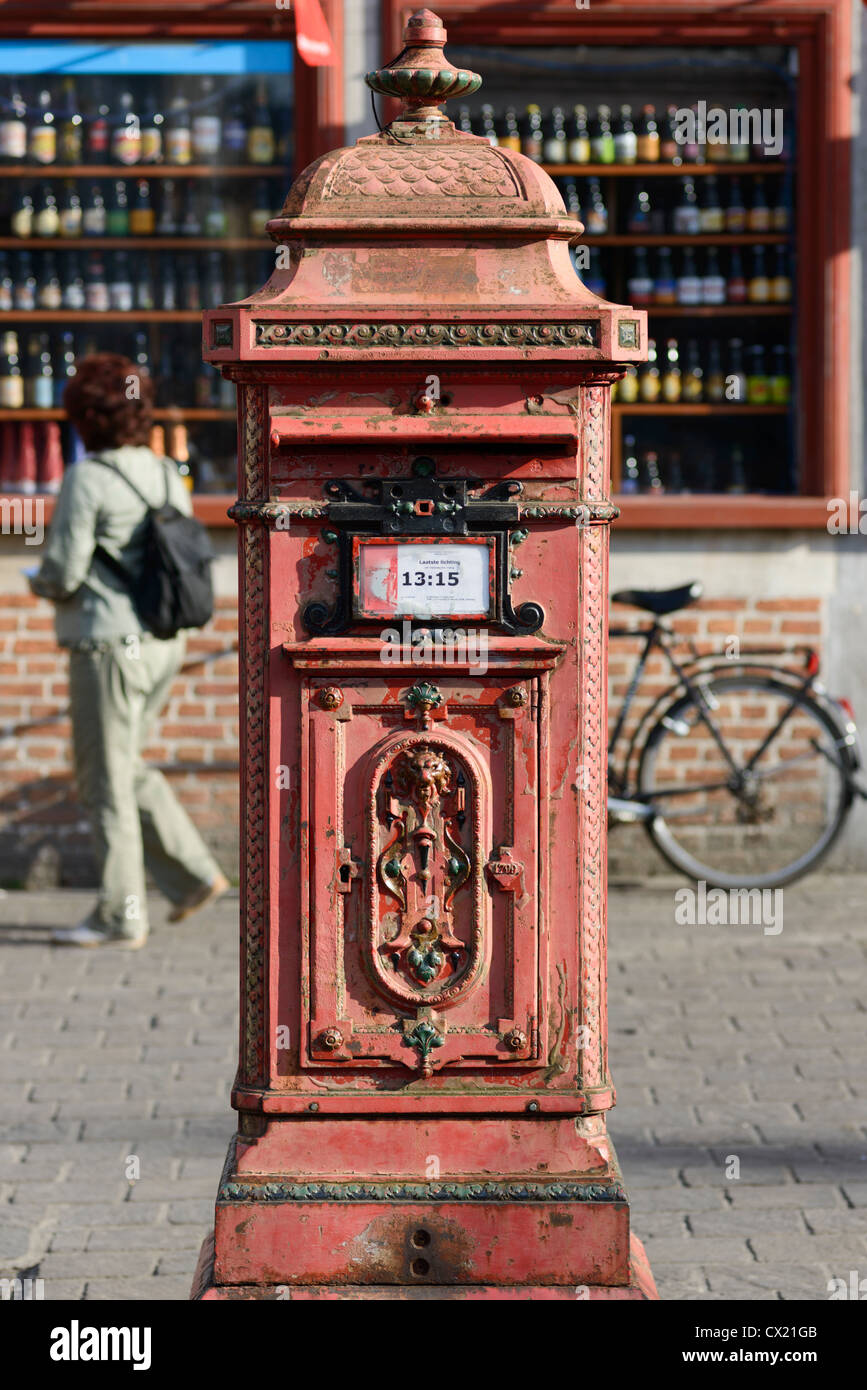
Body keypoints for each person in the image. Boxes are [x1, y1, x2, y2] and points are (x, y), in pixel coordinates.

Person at [29, 353, 229, 948]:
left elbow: (64, 571)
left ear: (86, 418)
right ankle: (193, 876)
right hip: (163, 643)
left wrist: (35, 583)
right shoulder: (167, 472)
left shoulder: (87, 478)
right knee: (126, 766)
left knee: (105, 781)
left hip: (108, 645)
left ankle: (122, 914)